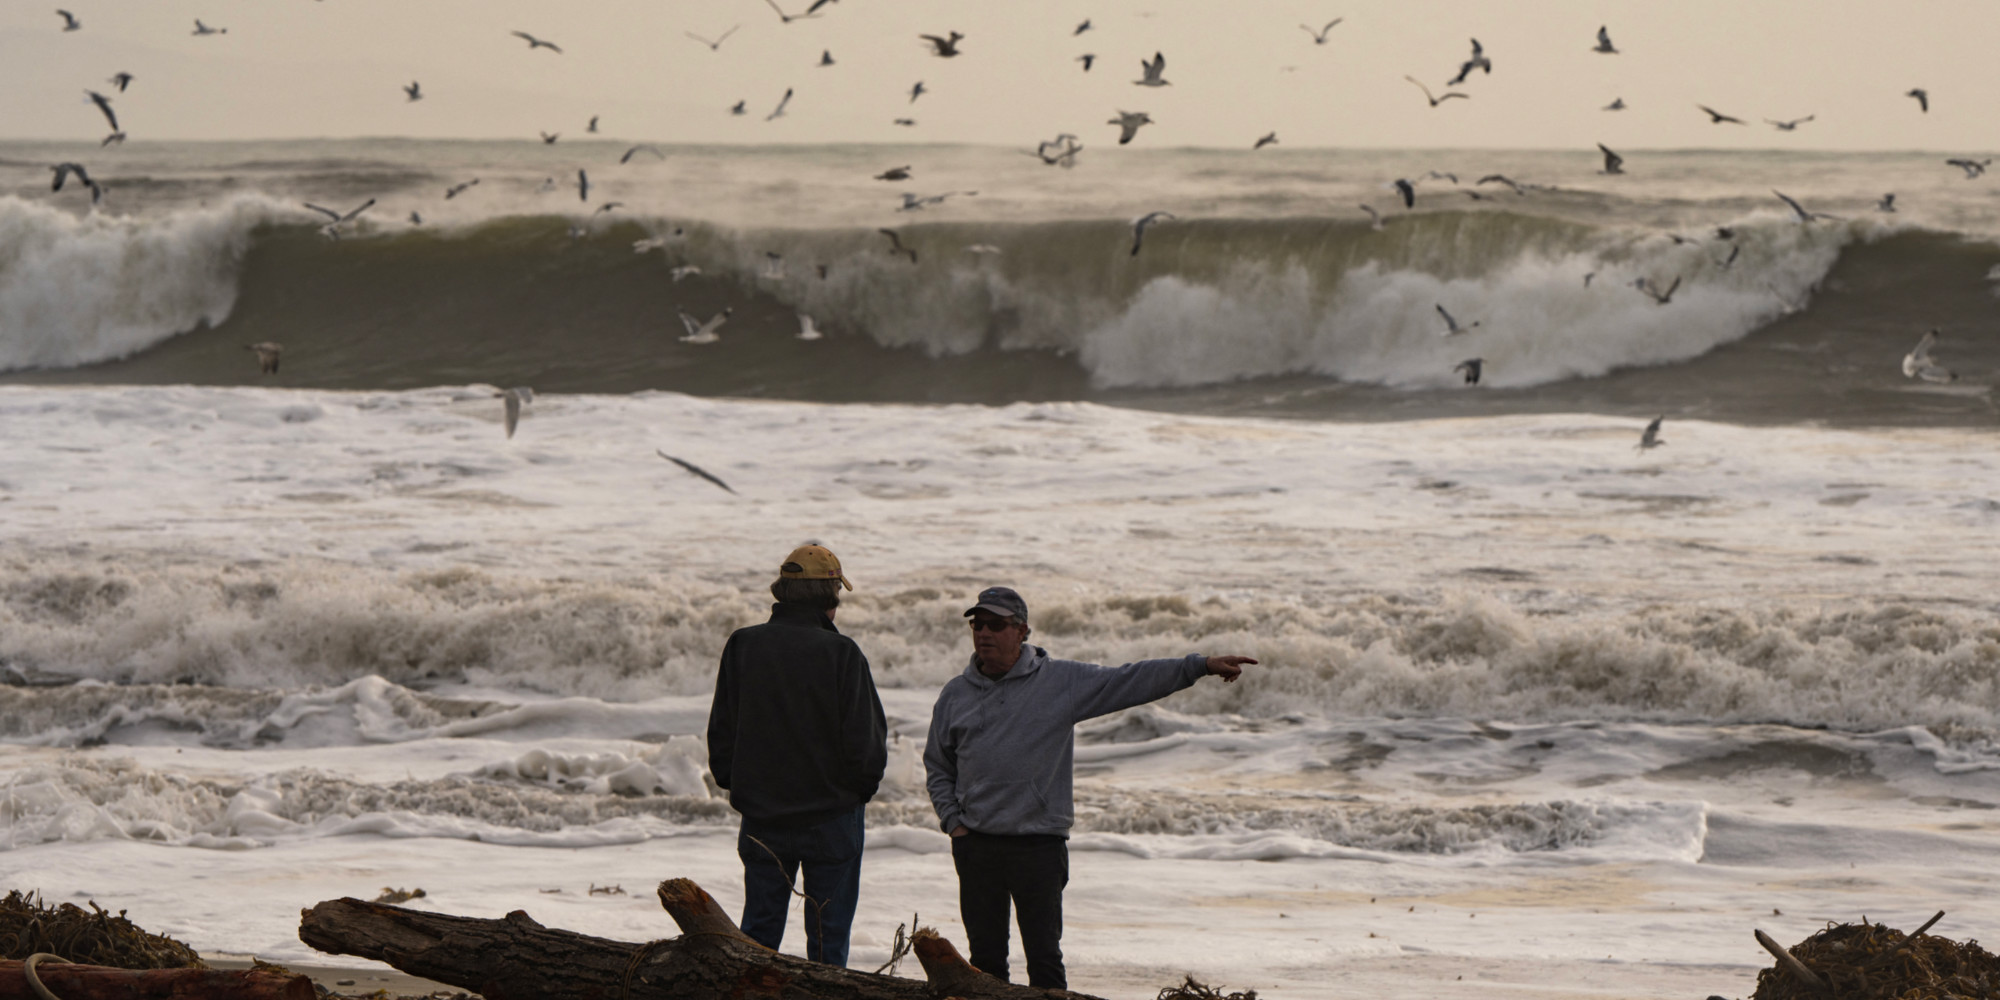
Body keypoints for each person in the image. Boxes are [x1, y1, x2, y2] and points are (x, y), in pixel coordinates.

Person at [922, 586, 1256, 989]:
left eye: (997, 625)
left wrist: (1198, 665)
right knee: (986, 962)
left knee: (1044, 960)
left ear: (1022, 631)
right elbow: (939, 764)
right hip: (976, 845)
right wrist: (953, 823)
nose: (984, 634)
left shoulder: (1060, 683)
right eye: (978, 625)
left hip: (1039, 845)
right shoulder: (956, 694)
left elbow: (1130, 679)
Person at [706, 544, 887, 967]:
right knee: (828, 948)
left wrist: (741, 785)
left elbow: (722, 734)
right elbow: (867, 746)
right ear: (830, 597)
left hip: (763, 815)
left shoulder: (743, 645)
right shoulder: (843, 653)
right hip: (832, 817)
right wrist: (855, 793)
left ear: (782, 592)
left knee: (756, 941)